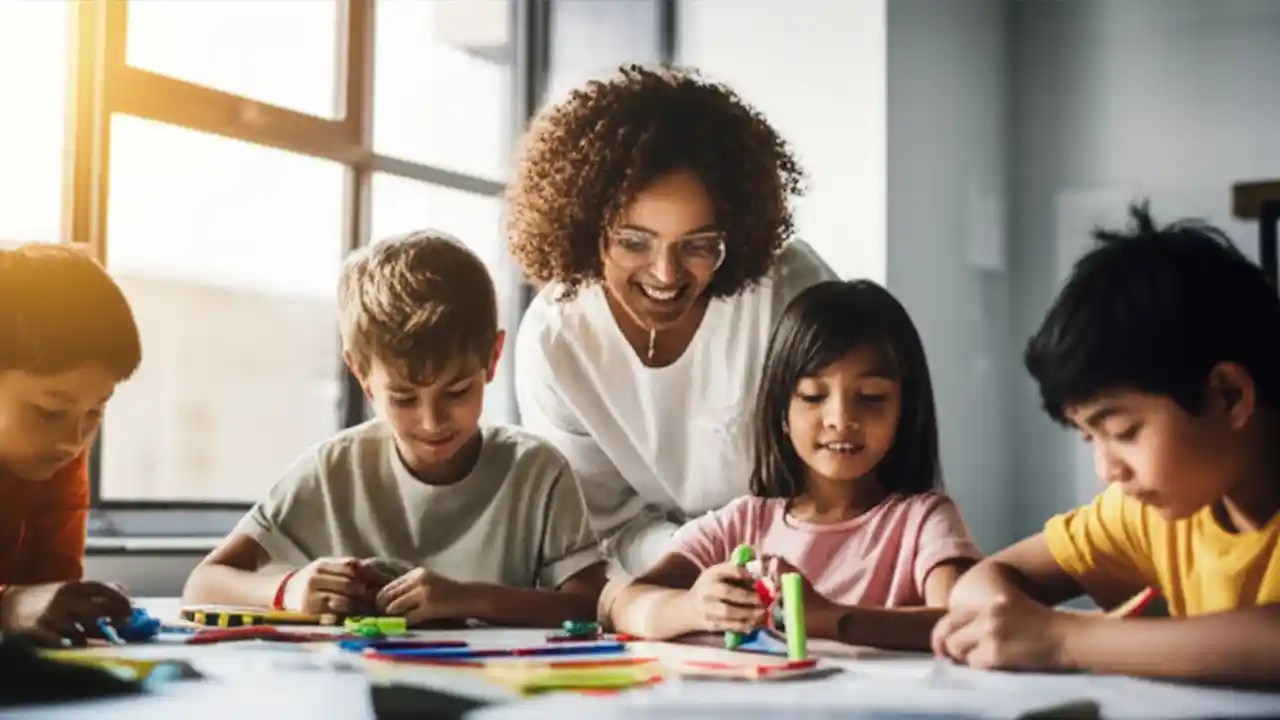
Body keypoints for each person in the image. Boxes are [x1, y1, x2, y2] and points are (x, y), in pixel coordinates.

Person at [510, 64, 837, 575]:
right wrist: (705, 565)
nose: (666, 273)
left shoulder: (788, 294)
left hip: (812, 570)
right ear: (586, 229)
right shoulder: (556, 340)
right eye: (633, 242)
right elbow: (604, 529)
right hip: (665, 585)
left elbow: (859, 480)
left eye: (699, 245)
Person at [184, 231, 606, 627]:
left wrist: (468, 598)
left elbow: (591, 604)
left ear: (493, 359)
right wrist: (287, 590)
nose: (432, 421)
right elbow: (203, 584)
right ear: (362, 376)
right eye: (404, 398)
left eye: (457, 391)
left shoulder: (536, 471)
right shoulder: (332, 470)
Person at [933, 204, 1280, 684]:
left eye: (1123, 432)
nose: (1109, 470)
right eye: (1090, 437)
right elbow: (981, 581)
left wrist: (1062, 639)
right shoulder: (1152, 511)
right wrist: (1009, 621)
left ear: (1229, 395)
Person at [603, 280, 981, 649]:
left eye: (870, 397)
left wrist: (834, 619)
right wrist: (693, 608)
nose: (840, 419)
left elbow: (966, 622)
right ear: (781, 411)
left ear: (905, 410)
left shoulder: (923, 522)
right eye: (813, 396)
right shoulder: (740, 526)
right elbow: (621, 605)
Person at [0, 244, 139, 646]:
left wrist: (75, 605)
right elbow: (22, 607)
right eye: (49, 411)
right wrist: (9, 607)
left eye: (96, 411)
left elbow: (50, 589)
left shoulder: (54, 459)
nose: (74, 440)